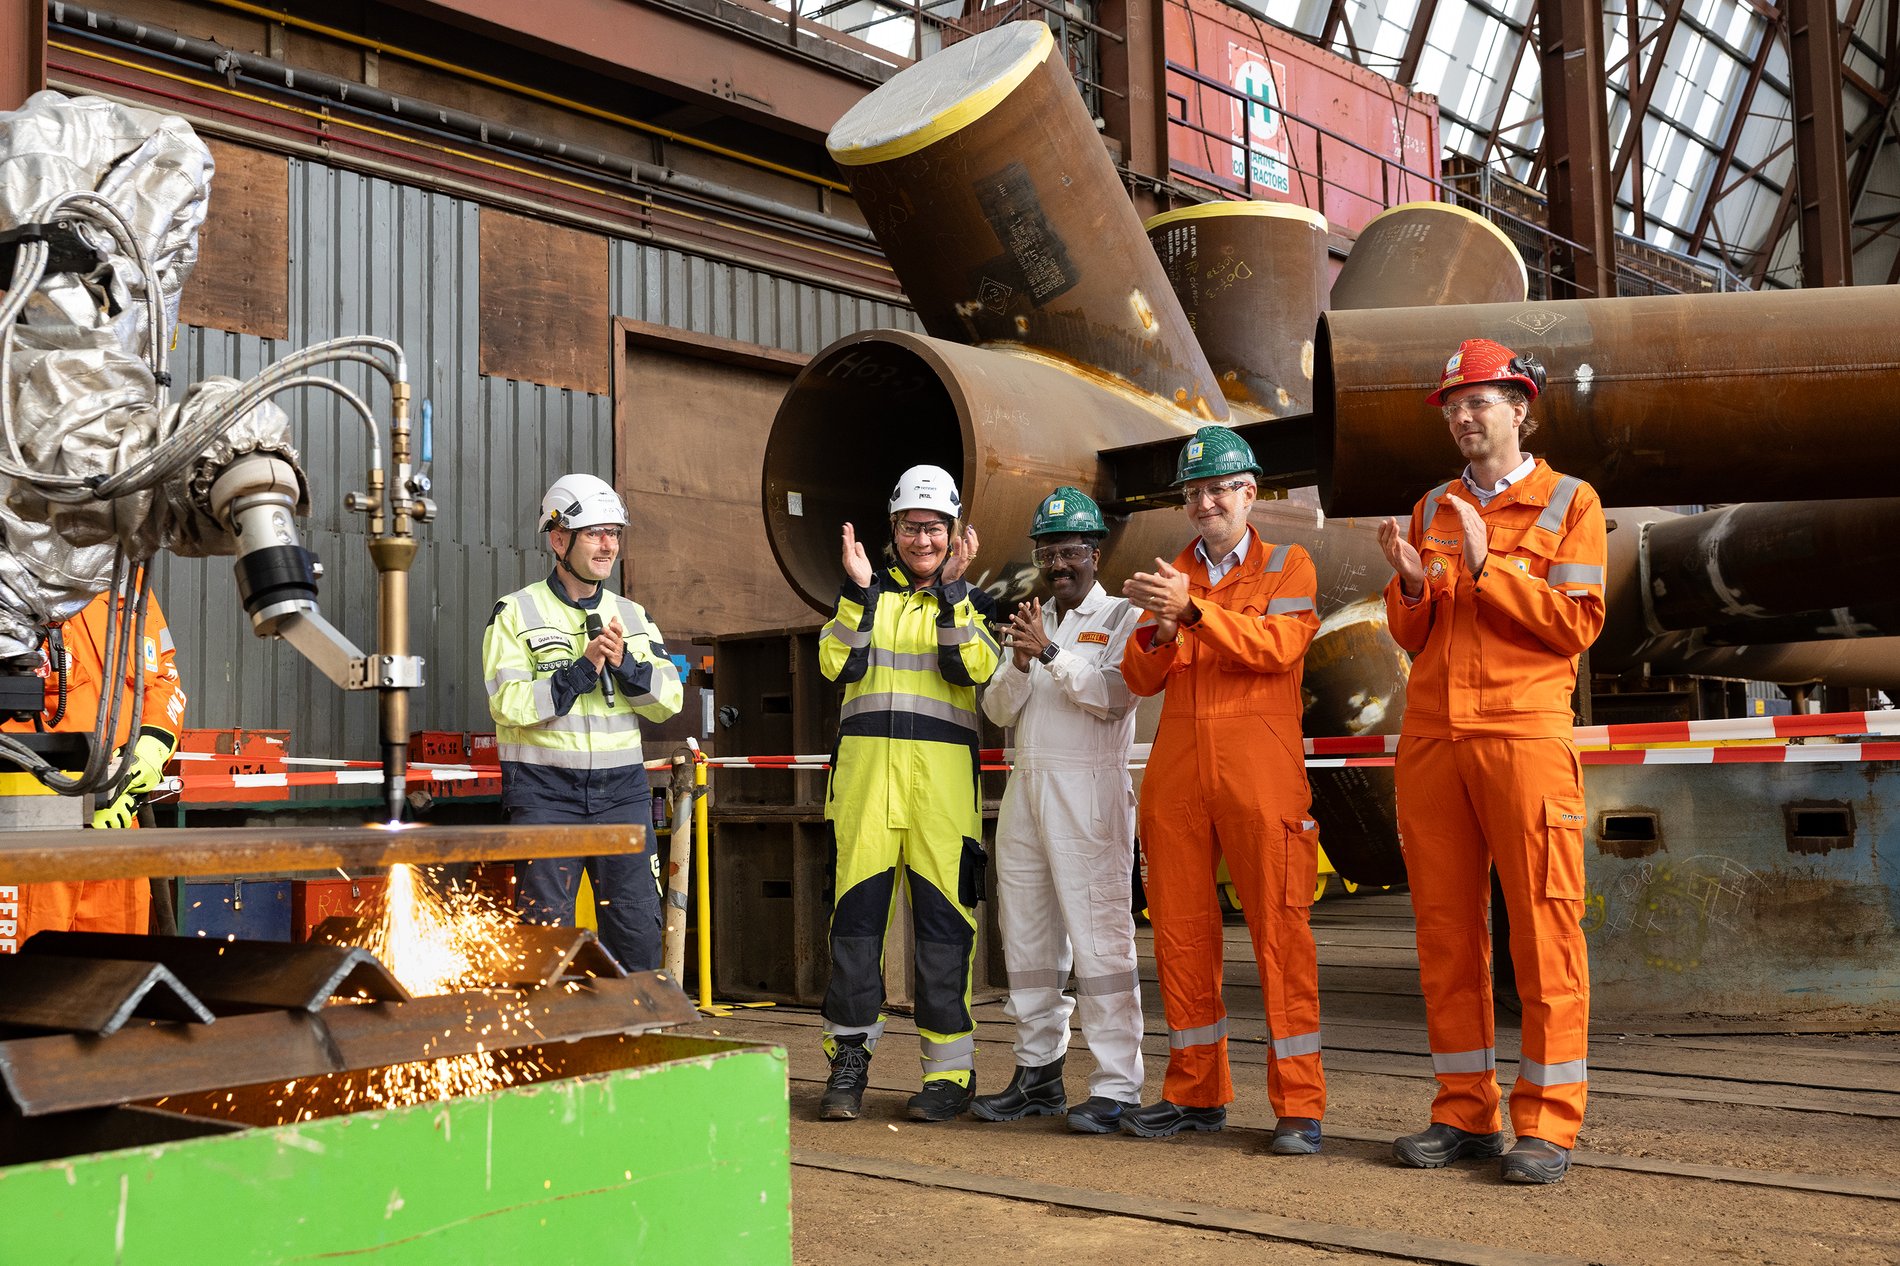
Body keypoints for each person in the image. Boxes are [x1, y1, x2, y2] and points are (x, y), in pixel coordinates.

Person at [1377, 337, 1606, 1185]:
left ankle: (1546, 1124)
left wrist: (1485, 562)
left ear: (1520, 408)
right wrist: (1408, 585)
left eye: (1481, 401)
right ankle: (1463, 1113)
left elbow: (1576, 622)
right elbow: (1416, 634)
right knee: (1444, 933)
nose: (1465, 416)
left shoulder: (1570, 502)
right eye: (1453, 405)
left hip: (1523, 735)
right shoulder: (1430, 504)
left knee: (1544, 931)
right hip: (1435, 739)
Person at [1119, 426, 1327, 1154]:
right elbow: (1140, 677)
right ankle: (1195, 1092)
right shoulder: (1169, 573)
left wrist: (1194, 611)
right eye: (1194, 491)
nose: (1206, 501)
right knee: (1179, 933)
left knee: (1280, 933)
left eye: (1219, 488)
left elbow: (1280, 647)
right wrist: (1160, 627)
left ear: (1250, 493)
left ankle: (1299, 1103)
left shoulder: (1287, 564)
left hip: (1258, 770)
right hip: (1179, 772)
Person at [817, 463, 1002, 1123]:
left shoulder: (973, 602)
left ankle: (949, 1077)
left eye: (933, 528)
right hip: (867, 794)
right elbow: (834, 663)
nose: (921, 539)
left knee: (945, 936)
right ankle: (848, 1065)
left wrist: (954, 595)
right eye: (909, 527)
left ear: (953, 533)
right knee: (855, 935)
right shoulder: (864, 597)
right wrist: (856, 592)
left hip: (942, 803)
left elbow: (976, 666)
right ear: (891, 531)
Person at [972, 486, 1144, 1134]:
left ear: (1094, 553)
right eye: (1048, 552)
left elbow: (1115, 694)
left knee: (1101, 942)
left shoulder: (1122, 616)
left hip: (1089, 795)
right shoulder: (1031, 618)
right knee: (1029, 940)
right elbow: (996, 711)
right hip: (1027, 793)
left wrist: (1047, 653)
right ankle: (1038, 1073)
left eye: (1070, 550)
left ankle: (1117, 1085)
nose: (1058, 564)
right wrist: (1018, 663)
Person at [483, 473, 682, 972]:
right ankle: (546, 1045)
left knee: (636, 926)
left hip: (622, 793)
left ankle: (638, 1042)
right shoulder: (515, 612)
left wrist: (626, 667)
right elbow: (506, 703)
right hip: (544, 793)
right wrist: (577, 674)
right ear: (558, 538)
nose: (608, 545)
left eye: (614, 533)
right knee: (543, 932)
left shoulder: (632, 615)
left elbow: (669, 701)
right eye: (595, 533)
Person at [1, 583, 187, 949]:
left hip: (116, 829)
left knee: (113, 982)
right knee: (21, 990)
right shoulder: (14, 566)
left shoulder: (128, 576)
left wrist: (150, 750)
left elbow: (164, 677)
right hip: (25, 837)